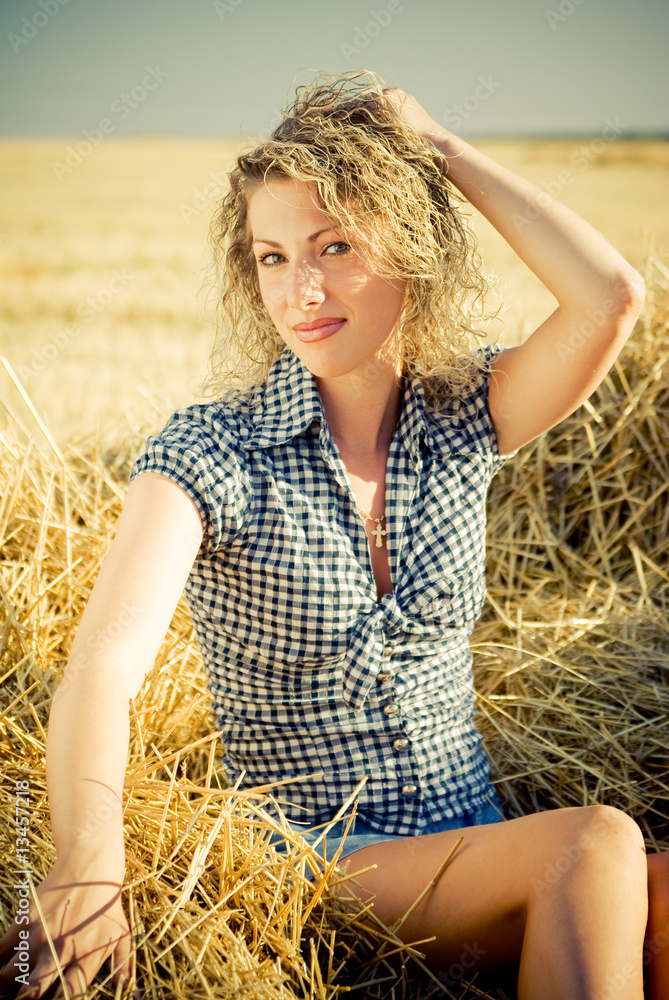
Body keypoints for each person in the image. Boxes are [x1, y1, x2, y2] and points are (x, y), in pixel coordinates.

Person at [0, 69, 667, 1000]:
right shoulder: (214, 452)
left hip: (473, 837)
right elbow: (102, 670)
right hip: (322, 863)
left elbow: (610, 297)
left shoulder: (463, 411)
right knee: (600, 840)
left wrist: (435, 145)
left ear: (414, 248)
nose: (300, 289)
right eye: (270, 256)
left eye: (336, 245)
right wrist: (89, 861)